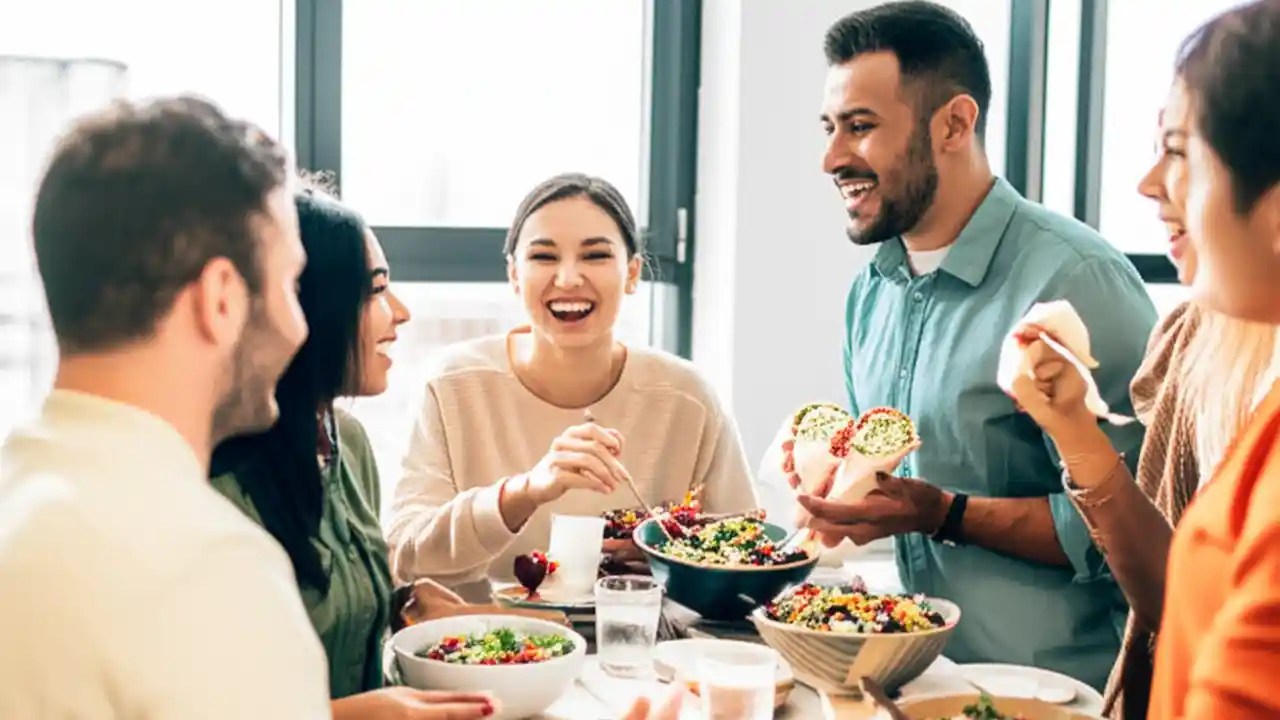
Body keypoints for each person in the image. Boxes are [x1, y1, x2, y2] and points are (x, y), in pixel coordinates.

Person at [785, 1, 1157, 691]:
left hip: (1062, 693)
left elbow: (1138, 536)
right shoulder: (873, 291)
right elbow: (891, 486)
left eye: (861, 127)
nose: (833, 157)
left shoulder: (1078, 281)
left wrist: (944, 513)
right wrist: (841, 494)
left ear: (955, 123)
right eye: (830, 127)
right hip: (922, 684)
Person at [0, 96, 329, 717]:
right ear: (222, 299)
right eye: (290, 283)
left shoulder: (18, 499)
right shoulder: (210, 570)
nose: (299, 326)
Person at [1015, 2, 1280, 716]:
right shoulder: (1212, 346)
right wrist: (1073, 427)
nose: (1149, 184)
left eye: (1179, 149)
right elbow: (1182, 600)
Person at [388, 173, 758, 600]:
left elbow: (744, 556)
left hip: (643, 652)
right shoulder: (451, 385)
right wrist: (521, 494)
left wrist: (671, 560)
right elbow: (404, 554)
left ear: (632, 272)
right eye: (544, 257)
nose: (567, 279)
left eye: (596, 256)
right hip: (482, 651)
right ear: (513, 274)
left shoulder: (687, 399)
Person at [209, 181, 498, 719]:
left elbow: (331, 603)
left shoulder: (349, 444)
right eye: (377, 290)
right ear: (307, 307)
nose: (402, 312)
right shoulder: (213, 485)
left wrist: (400, 604)